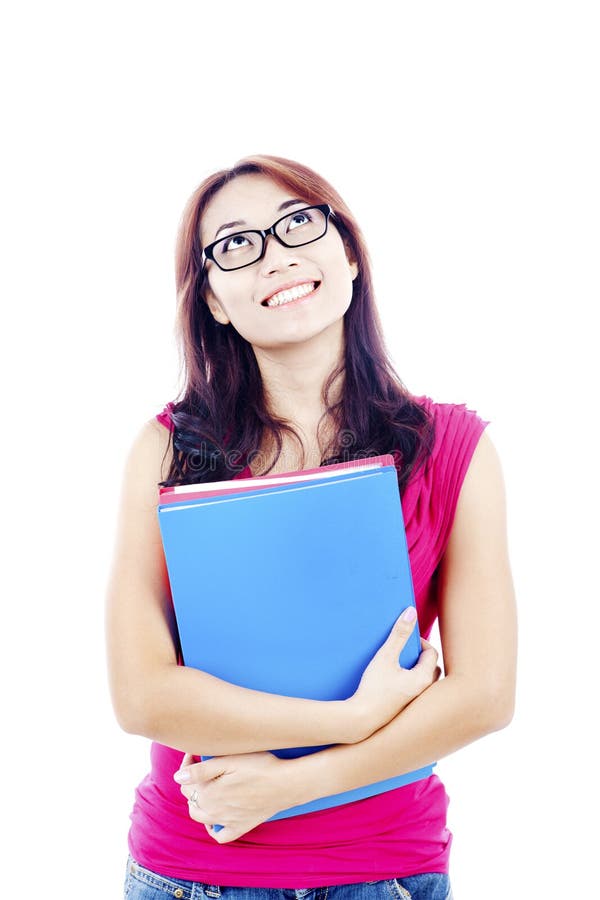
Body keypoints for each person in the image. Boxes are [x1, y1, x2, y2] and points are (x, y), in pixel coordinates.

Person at [106, 154, 517, 900]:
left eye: (298, 223)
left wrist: (298, 781)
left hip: (382, 869)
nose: (276, 257)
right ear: (217, 302)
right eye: (236, 244)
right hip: (192, 873)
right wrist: (352, 714)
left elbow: (485, 694)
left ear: (350, 254)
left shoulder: (453, 447)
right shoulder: (167, 450)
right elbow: (141, 695)